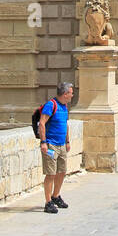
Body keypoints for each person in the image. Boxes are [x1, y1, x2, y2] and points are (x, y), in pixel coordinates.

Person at [38, 82, 74, 213]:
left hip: (62, 144)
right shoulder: (50, 105)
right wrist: (43, 142)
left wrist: (67, 141)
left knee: (62, 171)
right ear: (65, 94)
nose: (72, 95)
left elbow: (66, 124)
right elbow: (42, 124)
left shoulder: (64, 106)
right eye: (71, 92)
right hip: (51, 145)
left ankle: (56, 196)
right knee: (51, 174)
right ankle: (48, 202)